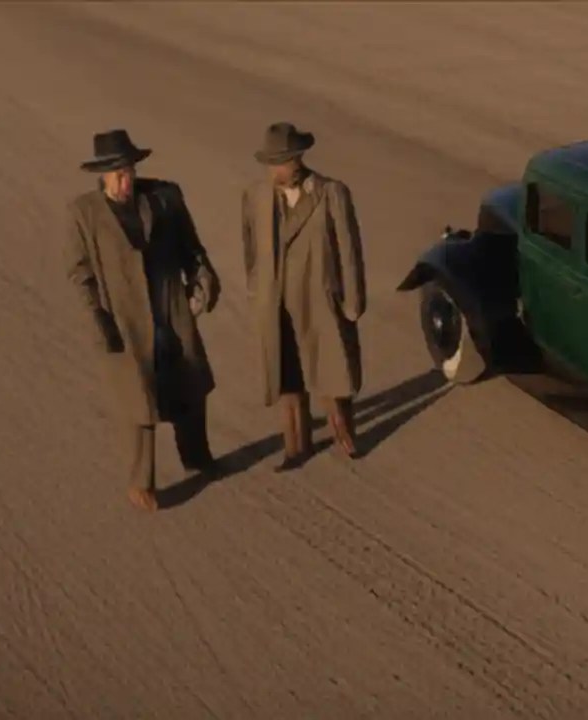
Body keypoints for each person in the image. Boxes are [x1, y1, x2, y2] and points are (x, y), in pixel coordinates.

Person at [64, 129, 222, 511]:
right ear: (101, 174)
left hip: (170, 310)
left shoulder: (165, 197)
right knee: (137, 402)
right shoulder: (83, 213)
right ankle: (141, 482)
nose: (125, 180)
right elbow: (79, 271)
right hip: (125, 321)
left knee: (188, 385)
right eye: (117, 173)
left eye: (129, 171)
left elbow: (193, 249)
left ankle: (197, 457)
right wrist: (98, 317)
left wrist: (203, 279)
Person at [240, 122, 366, 470]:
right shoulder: (256, 196)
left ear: (297, 159)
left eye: (280, 161)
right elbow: (250, 248)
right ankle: (296, 447)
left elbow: (349, 251)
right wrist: (257, 289)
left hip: (319, 299)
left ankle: (345, 437)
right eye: (271, 162)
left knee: (331, 371)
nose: (275, 169)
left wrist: (353, 302)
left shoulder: (331, 193)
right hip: (275, 302)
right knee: (288, 377)